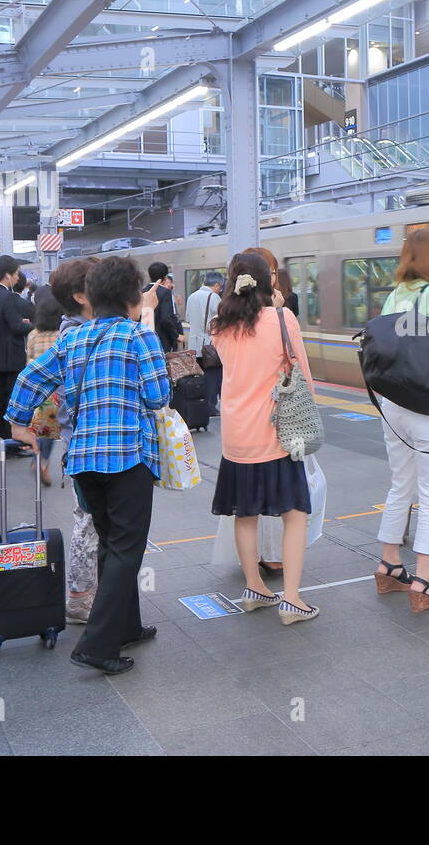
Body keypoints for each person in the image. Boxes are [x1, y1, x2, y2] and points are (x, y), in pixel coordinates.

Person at [7, 257, 169, 675]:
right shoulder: (138, 337)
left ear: (91, 298)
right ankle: (97, 645)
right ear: (133, 297)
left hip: (82, 459)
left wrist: (18, 422)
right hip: (128, 458)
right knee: (126, 549)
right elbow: (156, 397)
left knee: (110, 543)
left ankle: (125, 626)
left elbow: (29, 379)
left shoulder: (73, 338)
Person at [209, 252, 319, 624]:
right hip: (276, 433)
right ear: (268, 282)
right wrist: (278, 307)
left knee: (245, 514)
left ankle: (254, 586)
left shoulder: (219, 326)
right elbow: (301, 371)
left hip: (236, 436)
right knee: (295, 513)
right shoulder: (282, 318)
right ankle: (291, 599)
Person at [370, 226, 429, 611]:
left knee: (401, 486)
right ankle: (423, 583)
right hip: (427, 405)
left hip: (393, 403)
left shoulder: (396, 294)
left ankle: (389, 565)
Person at [49, 257, 101, 625]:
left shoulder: (73, 330)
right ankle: (79, 599)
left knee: (90, 520)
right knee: (88, 523)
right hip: (85, 444)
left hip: (80, 442)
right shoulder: (75, 335)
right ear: (82, 296)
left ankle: (86, 594)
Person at [240, 245, 286, 574]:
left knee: (246, 502)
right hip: (272, 418)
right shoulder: (278, 316)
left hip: (240, 424)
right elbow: (297, 369)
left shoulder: (225, 320)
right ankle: (272, 558)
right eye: (270, 272)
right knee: (277, 495)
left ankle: (254, 575)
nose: (274, 277)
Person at [0, 255, 35, 456]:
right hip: (12, 358)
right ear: (7, 275)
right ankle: (13, 444)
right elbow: (16, 326)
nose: (17, 277)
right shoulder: (10, 298)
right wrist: (30, 324)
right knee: (13, 403)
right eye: (16, 273)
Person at [26, 295, 64, 487]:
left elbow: (29, 360)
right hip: (57, 390)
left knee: (42, 430)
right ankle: (42, 463)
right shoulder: (61, 336)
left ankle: (40, 460)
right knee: (51, 432)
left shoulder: (33, 335)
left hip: (36, 388)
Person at [185, 271, 226, 412]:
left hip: (194, 345)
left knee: (202, 376)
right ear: (216, 285)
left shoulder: (192, 296)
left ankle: (202, 405)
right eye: (220, 287)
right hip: (210, 346)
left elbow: (188, 318)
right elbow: (220, 320)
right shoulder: (214, 297)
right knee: (214, 376)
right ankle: (211, 406)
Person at [147, 261, 181, 352]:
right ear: (165, 277)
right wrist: (176, 335)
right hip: (161, 340)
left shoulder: (142, 291)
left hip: (146, 339)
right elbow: (166, 318)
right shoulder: (165, 292)